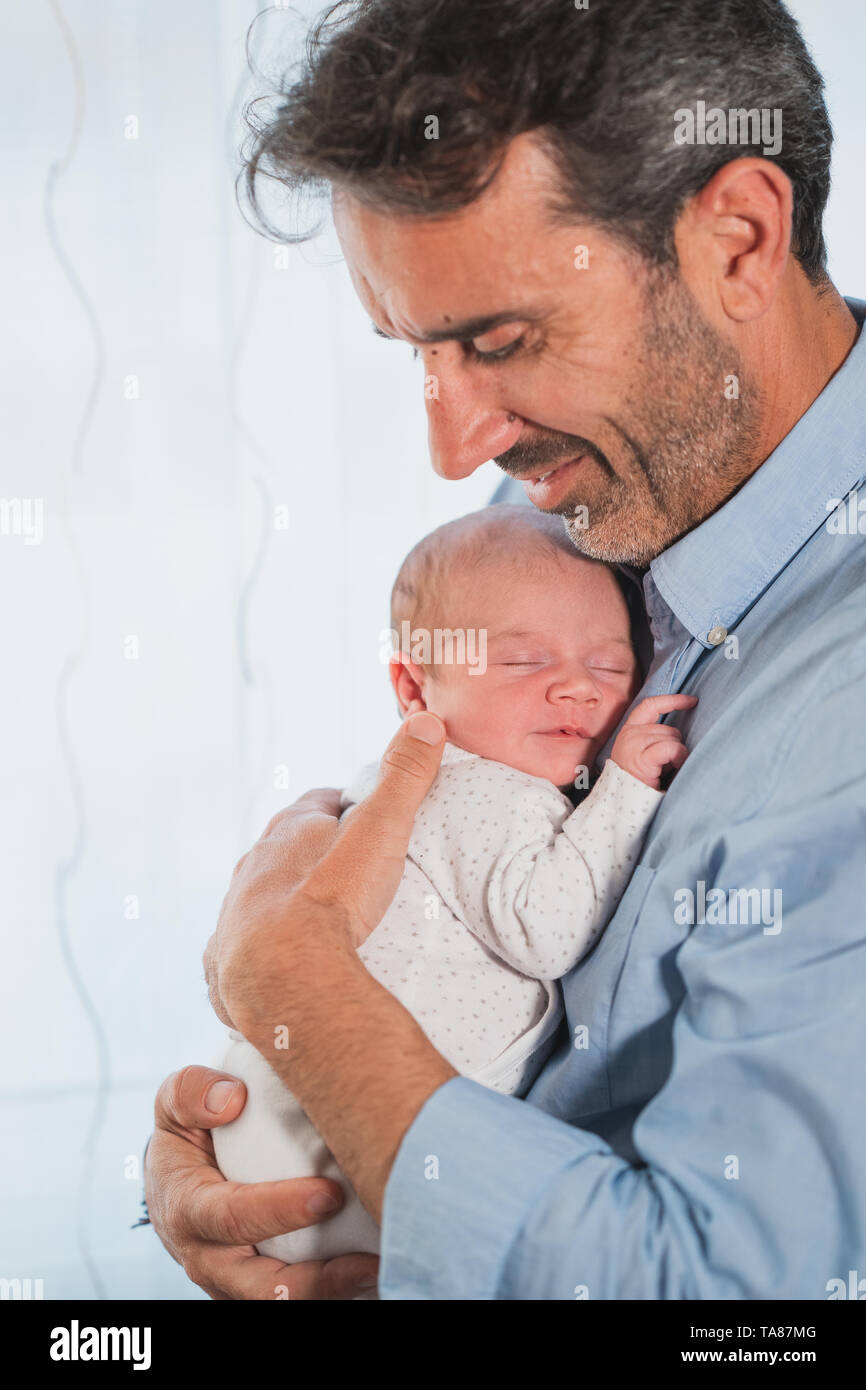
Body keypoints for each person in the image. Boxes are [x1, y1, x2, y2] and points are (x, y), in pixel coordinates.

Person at [144, 0, 866, 1299]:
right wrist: (256, 1156)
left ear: (739, 240)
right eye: (420, 351)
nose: (454, 446)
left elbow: (725, 1298)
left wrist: (295, 986)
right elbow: (429, 880)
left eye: (498, 341)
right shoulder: (558, 498)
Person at [210, 504, 694, 1272]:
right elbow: (549, 927)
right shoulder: (479, 792)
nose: (575, 688)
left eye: (608, 666)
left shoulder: (437, 778)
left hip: (283, 1141)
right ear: (413, 685)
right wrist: (629, 788)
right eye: (524, 663)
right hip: (328, 1161)